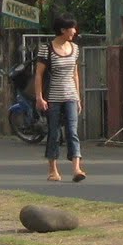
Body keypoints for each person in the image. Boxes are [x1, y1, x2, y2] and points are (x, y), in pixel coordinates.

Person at [34, 13, 86, 183]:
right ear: (63, 30)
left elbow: (75, 74)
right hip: (53, 98)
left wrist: (78, 98)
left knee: (72, 131)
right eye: (72, 28)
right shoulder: (47, 48)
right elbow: (39, 75)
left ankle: (76, 168)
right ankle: (53, 170)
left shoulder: (75, 48)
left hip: (70, 95)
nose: (74, 31)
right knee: (54, 132)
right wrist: (39, 98)